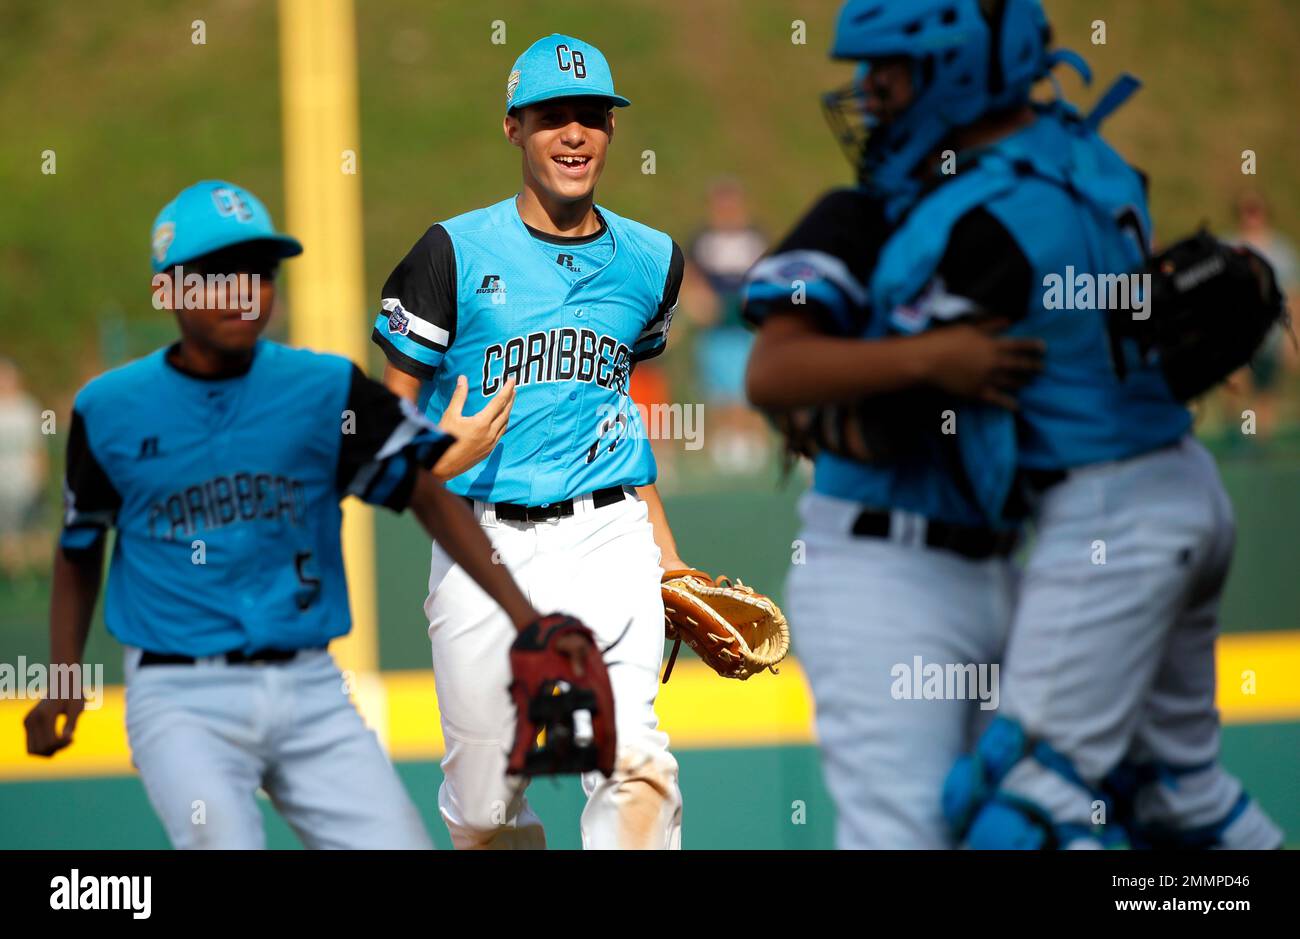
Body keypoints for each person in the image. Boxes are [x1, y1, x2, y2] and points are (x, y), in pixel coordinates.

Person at [821, 0, 1281, 848]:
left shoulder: (977, 211)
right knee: (1177, 794)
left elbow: (900, 397)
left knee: (1021, 808)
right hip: (1184, 488)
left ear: (955, 66)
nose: (869, 91)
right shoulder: (1089, 152)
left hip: (1109, 516)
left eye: (889, 69)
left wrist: (834, 413)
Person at [23, 179, 575, 850]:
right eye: (218, 273)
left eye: (259, 271)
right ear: (167, 289)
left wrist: (528, 621)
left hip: (309, 684)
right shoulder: (109, 409)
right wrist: (62, 680)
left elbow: (427, 490)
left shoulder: (324, 389)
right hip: (179, 694)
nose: (245, 289)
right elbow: (80, 546)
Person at [371, 34, 687, 850]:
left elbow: (615, 409)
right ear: (514, 127)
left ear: (613, 132)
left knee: (636, 763)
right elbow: (381, 431)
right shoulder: (451, 252)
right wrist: (440, 450)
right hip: (485, 537)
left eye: (592, 117)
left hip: (611, 534)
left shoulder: (653, 261)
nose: (574, 134)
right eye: (553, 118)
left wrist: (669, 555)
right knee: (485, 809)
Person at [742, 55, 1045, 848]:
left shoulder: (1024, 213)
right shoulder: (864, 213)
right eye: (868, 77)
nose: (870, 98)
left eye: (890, 78)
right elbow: (772, 371)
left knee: (1029, 830)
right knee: (905, 836)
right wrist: (927, 360)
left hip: (1013, 567)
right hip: (884, 566)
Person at [682, 179, 771, 473]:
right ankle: (725, 441)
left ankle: (753, 441)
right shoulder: (702, 240)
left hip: (745, 326)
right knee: (719, 385)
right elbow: (690, 276)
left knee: (748, 383)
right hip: (716, 327)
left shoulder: (755, 237)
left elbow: (768, 271)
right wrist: (699, 301)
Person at [1221, 190, 1298, 442]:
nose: (1252, 217)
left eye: (1256, 210)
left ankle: (1259, 448)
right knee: (1236, 387)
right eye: (1247, 211)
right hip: (1236, 334)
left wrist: (1293, 336)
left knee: (1265, 396)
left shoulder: (1281, 251)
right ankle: (1238, 439)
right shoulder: (1228, 247)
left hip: (1271, 336)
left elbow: (1293, 297)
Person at [0, 359, 47, 579]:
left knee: (35, 528)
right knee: (8, 532)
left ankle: (41, 574)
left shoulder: (29, 408)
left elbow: (40, 443)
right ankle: (14, 577)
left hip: (25, 480)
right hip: (3, 483)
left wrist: (40, 476)